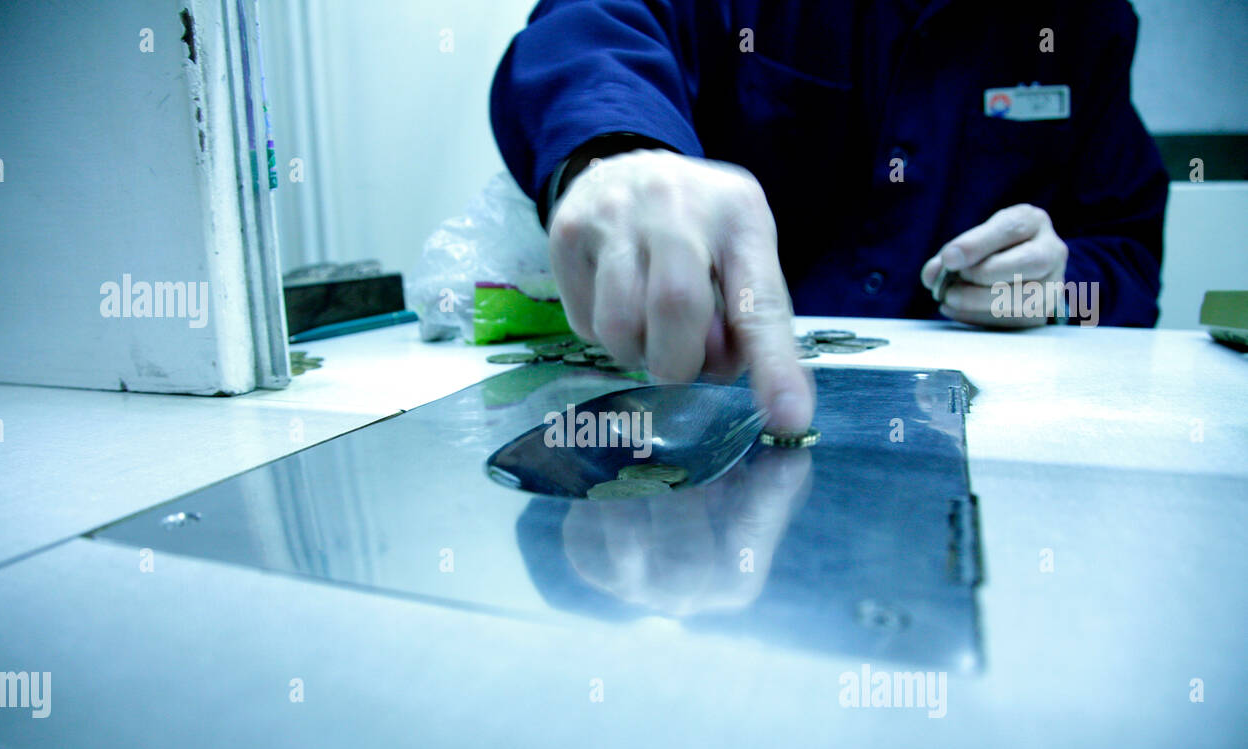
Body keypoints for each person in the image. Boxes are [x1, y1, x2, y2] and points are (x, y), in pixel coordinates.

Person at [490, 0, 1169, 434]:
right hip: (717, 402)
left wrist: (1058, 285)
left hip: (994, 429)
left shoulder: (1087, 23)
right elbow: (590, 25)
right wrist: (617, 148)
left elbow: (1128, 249)